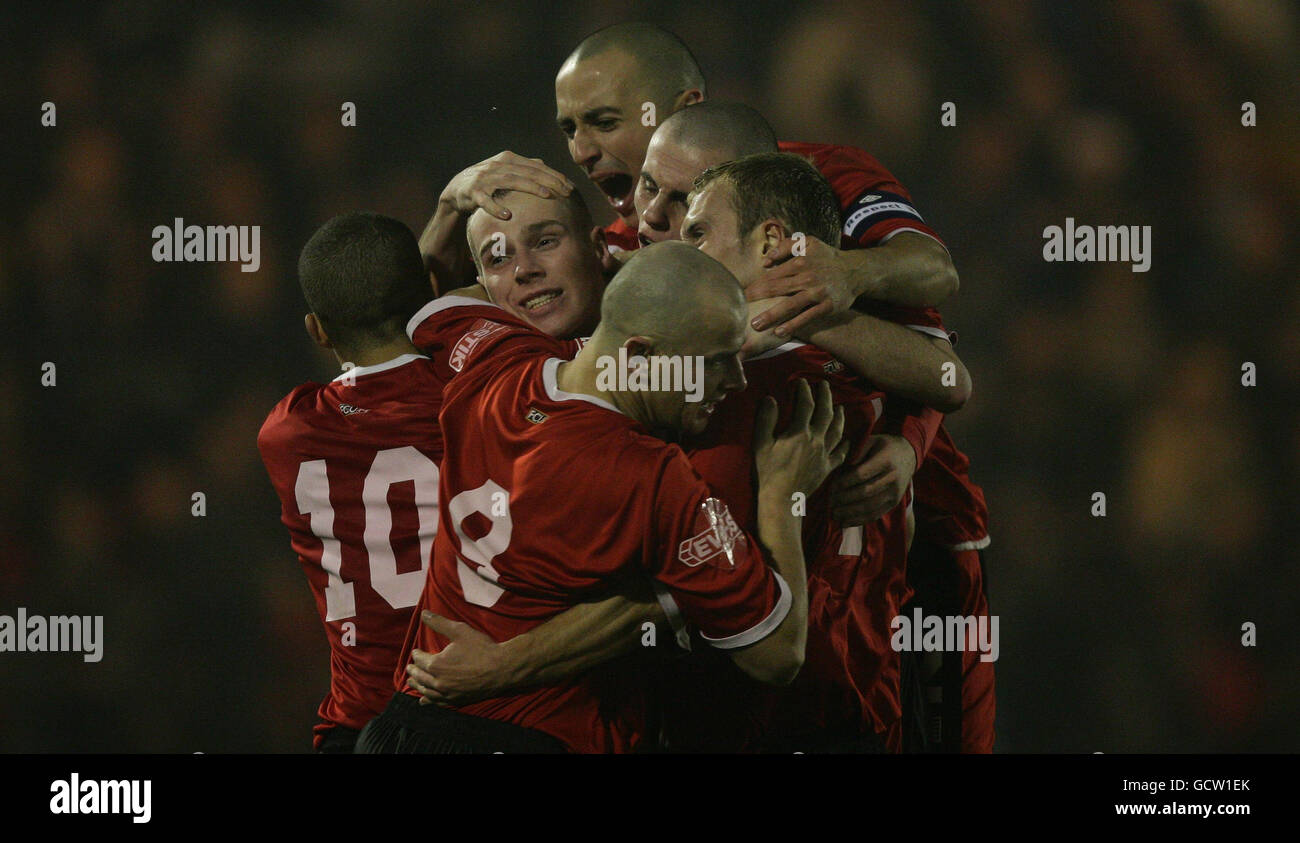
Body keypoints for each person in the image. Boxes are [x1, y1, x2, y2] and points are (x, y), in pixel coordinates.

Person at [357, 241, 848, 753]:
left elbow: (437, 309)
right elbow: (777, 654)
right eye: (715, 362)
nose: (735, 380)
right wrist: (781, 498)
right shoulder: (652, 479)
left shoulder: (495, 363)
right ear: (638, 355)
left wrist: (459, 199)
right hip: (531, 737)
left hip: (401, 727)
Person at [257, 212, 444, 752]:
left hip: (357, 723)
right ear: (425, 297)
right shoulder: (474, 397)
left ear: (317, 329)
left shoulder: (287, 431)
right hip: (478, 711)